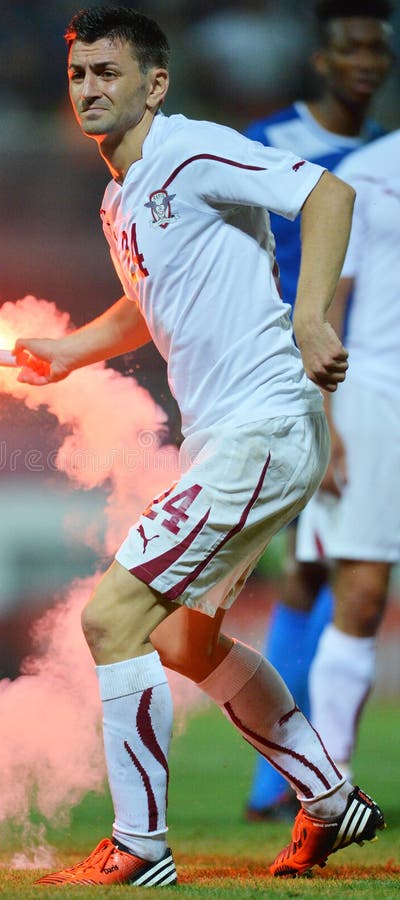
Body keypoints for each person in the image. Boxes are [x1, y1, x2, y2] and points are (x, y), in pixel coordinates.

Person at [0, 7, 384, 885]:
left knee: (112, 619)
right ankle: (329, 803)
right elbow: (148, 300)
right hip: (234, 440)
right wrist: (70, 349)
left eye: (108, 73)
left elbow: (328, 193)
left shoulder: (188, 149)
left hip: (265, 427)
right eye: (78, 75)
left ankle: (140, 848)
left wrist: (312, 315)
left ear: (154, 84)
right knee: (180, 645)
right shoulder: (117, 197)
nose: (90, 89)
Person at [243, 0, 394, 821]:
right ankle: (286, 779)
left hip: (345, 356)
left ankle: (293, 779)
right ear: (323, 60)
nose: (368, 60)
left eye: (379, 47)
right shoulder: (272, 142)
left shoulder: (383, 156)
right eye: (352, 47)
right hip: (290, 360)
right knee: (309, 572)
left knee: (316, 571)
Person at [295, 127, 400, 783]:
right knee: (360, 594)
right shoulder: (369, 169)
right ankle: (328, 787)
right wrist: (326, 422)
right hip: (378, 392)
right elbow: (329, 301)